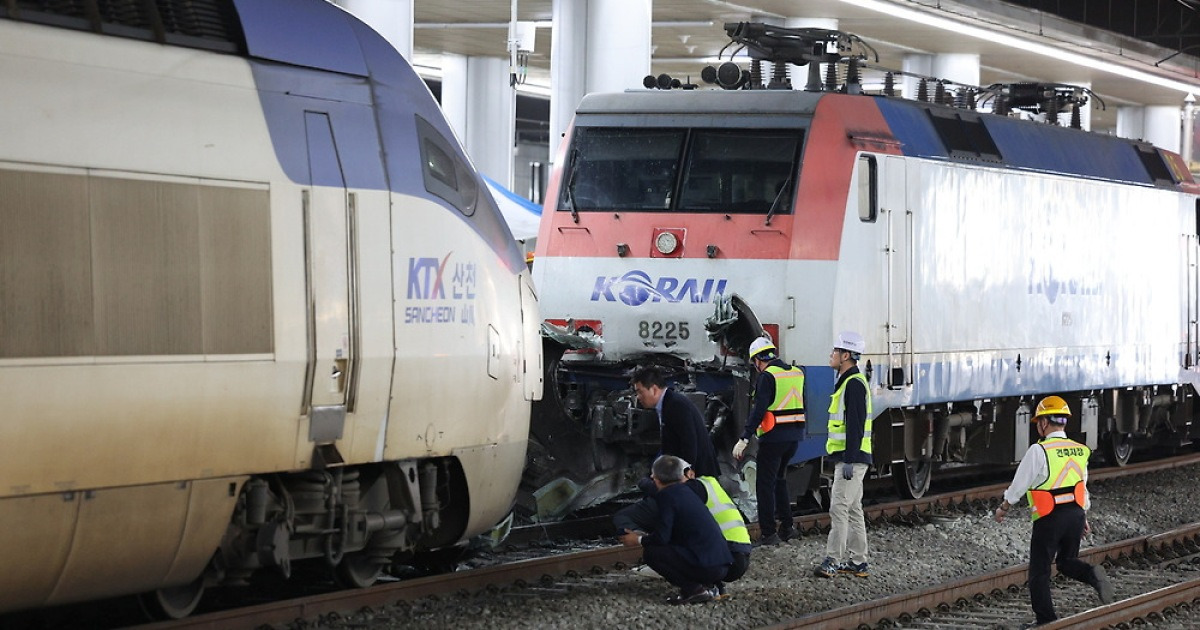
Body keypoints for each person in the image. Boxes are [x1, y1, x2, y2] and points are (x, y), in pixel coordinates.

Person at [993, 395, 1114, 627]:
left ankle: (1046, 621)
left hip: (1049, 517)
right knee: (1066, 562)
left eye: (1038, 421)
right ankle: (1092, 574)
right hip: (1075, 515)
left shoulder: (1039, 451)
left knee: (1039, 571)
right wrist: (1084, 516)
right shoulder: (1080, 450)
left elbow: (1020, 484)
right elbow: (1082, 484)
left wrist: (1004, 507)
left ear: (1044, 423)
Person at [613, 460, 752, 599]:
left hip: (729, 555)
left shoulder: (686, 490)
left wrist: (639, 539)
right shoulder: (709, 483)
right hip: (736, 554)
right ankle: (715, 586)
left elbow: (663, 536)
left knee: (656, 551)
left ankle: (695, 590)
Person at [732, 335, 805, 546]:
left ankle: (768, 533)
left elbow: (759, 410)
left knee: (765, 484)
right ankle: (787, 528)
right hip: (794, 438)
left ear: (757, 360)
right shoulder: (796, 372)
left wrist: (744, 437)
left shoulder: (767, 376)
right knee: (780, 480)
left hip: (773, 438)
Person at [815, 331, 873, 578]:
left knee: (838, 507)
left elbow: (855, 425)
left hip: (852, 459)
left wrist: (849, 458)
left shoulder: (854, 385)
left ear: (846, 355)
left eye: (835, 351)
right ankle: (859, 562)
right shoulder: (848, 382)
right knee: (852, 509)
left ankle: (833, 560)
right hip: (851, 457)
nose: (831, 355)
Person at [631, 365, 720, 479]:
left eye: (640, 392)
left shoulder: (676, 405)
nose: (638, 397)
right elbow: (669, 444)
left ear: (653, 389)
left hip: (700, 473)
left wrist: (686, 471)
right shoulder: (666, 404)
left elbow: (689, 441)